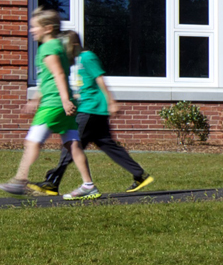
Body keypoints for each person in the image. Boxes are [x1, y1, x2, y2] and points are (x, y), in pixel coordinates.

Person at [40, 30, 156, 199]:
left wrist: (111, 101)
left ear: (73, 45)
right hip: (91, 108)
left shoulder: (87, 57)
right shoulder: (78, 61)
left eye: (63, 47)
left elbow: (100, 79)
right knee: (107, 145)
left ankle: (52, 181)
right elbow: (85, 85)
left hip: (91, 108)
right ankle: (140, 175)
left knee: (72, 144)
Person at [0, 7, 77, 195]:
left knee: (32, 141)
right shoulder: (58, 46)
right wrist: (35, 100)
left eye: (35, 27)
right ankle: (88, 183)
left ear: (47, 28)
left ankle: (20, 180)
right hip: (58, 101)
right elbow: (48, 79)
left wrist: (64, 100)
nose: (31, 30)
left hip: (53, 104)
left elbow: (58, 74)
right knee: (73, 144)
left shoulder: (47, 47)